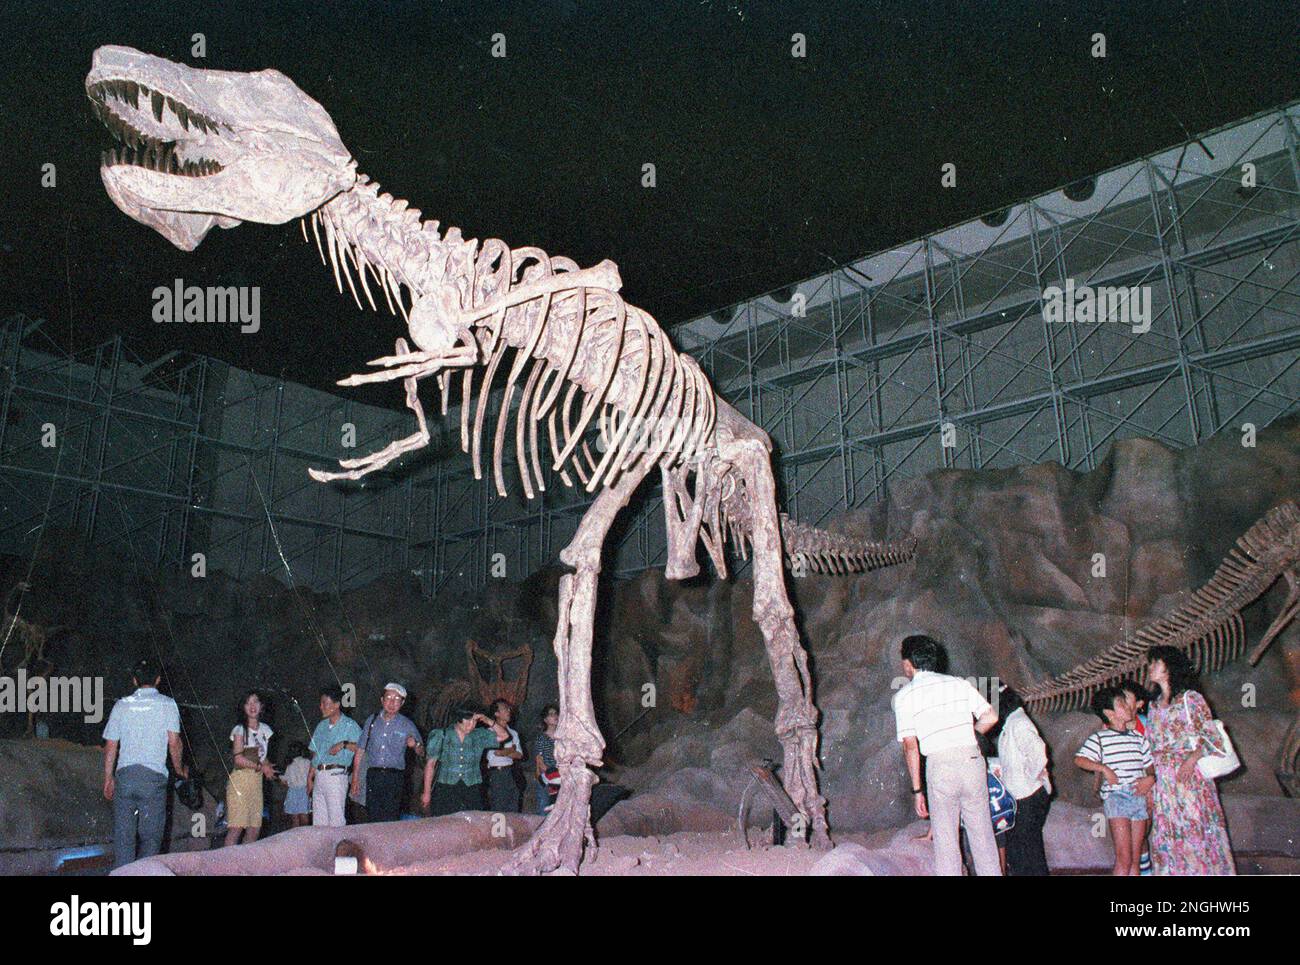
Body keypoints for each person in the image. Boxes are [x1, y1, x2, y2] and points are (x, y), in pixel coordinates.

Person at [891, 635, 1001, 876]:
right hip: (972, 761)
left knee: (946, 843)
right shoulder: (959, 684)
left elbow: (911, 746)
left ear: (909, 663)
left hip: (940, 766)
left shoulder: (904, 697)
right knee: (983, 838)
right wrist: (969, 733)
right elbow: (991, 716)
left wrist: (917, 791)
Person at [1145, 646, 1236, 875]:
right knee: (1168, 838)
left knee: (1195, 834)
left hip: (1189, 780)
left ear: (1169, 667)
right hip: (1164, 785)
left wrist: (1190, 759)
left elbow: (1212, 737)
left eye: (1155, 662)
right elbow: (1152, 746)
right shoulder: (1153, 706)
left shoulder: (1190, 699)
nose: (1150, 667)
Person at [102, 656, 188, 868]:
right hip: (153, 780)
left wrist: (108, 778)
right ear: (158, 679)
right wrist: (179, 769)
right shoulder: (168, 704)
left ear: (134, 680)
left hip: (125, 778)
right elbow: (174, 742)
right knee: (151, 839)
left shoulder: (122, 705)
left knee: (124, 838)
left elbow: (111, 745)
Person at [1074, 685, 1155, 876]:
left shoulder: (1138, 738)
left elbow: (1150, 765)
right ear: (1110, 714)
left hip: (1138, 797)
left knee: (1135, 858)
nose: (1128, 706)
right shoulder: (1100, 738)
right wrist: (1104, 769)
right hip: (1117, 797)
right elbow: (1080, 759)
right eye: (1121, 703)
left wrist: (1151, 778)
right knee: (1124, 858)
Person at [996, 685, 1052, 876]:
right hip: (1021, 797)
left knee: (1029, 855)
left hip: (1028, 797)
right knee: (1022, 853)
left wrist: (1031, 777)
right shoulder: (1013, 722)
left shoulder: (1019, 723)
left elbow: (1038, 753)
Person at [352, 682, 424, 823]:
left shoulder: (407, 724)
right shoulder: (371, 721)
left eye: (397, 699)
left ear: (402, 703)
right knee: (372, 816)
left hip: (394, 778)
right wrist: (355, 778)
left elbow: (421, 752)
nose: (392, 702)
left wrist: (415, 744)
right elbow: (360, 750)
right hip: (373, 775)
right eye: (389, 697)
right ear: (382, 700)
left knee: (391, 818)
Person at [421, 707, 509, 816]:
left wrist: (488, 720)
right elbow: (431, 764)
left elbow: (504, 735)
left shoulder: (479, 735)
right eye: (468, 720)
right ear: (458, 719)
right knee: (445, 822)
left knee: (473, 822)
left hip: (472, 787)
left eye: (475, 721)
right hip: (446, 787)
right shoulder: (442, 735)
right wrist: (426, 793)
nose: (471, 725)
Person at [225, 690, 276, 846]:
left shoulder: (265, 730)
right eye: (248, 702)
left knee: (254, 829)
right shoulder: (240, 730)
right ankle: (226, 866)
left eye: (256, 702)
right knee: (236, 828)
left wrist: (267, 766)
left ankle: (246, 866)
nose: (252, 706)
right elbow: (239, 759)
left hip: (256, 782)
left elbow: (262, 756)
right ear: (243, 707)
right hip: (240, 781)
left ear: (261, 706)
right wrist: (262, 767)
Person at [307, 685, 363, 827]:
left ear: (337, 704)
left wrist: (343, 744)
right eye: (320, 704)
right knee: (319, 822)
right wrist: (310, 777)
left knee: (336, 820)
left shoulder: (350, 725)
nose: (321, 707)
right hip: (319, 775)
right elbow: (315, 753)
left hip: (336, 776)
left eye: (324, 704)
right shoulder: (321, 726)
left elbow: (361, 748)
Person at [1117, 679, 1155, 874]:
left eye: (1126, 699)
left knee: (1139, 840)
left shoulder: (1148, 726)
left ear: (1139, 704)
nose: (1121, 702)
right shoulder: (1114, 727)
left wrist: (1150, 785)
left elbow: (1156, 761)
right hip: (1124, 793)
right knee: (1128, 846)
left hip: (1146, 790)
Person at [484, 698, 523, 812]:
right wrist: (511, 749)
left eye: (509, 708)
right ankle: (498, 830)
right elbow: (496, 753)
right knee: (499, 808)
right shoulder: (490, 732)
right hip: (497, 774)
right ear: (496, 713)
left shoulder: (513, 733)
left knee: (513, 805)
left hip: (511, 772)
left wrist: (504, 752)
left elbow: (519, 755)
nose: (509, 711)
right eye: (505, 708)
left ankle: (510, 830)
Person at [533, 703, 560, 814]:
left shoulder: (563, 737)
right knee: (544, 808)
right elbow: (540, 761)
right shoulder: (542, 738)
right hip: (547, 777)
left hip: (561, 777)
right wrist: (551, 773)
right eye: (551, 714)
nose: (555, 716)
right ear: (545, 719)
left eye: (556, 713)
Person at [280, 741, 312, 828]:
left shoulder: (289, 764)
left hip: (292, 792)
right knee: (304, 816)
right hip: (304, 791)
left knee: (294, 818)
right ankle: (305, 837)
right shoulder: (307, 762)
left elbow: (284, 781)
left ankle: (296, 838)